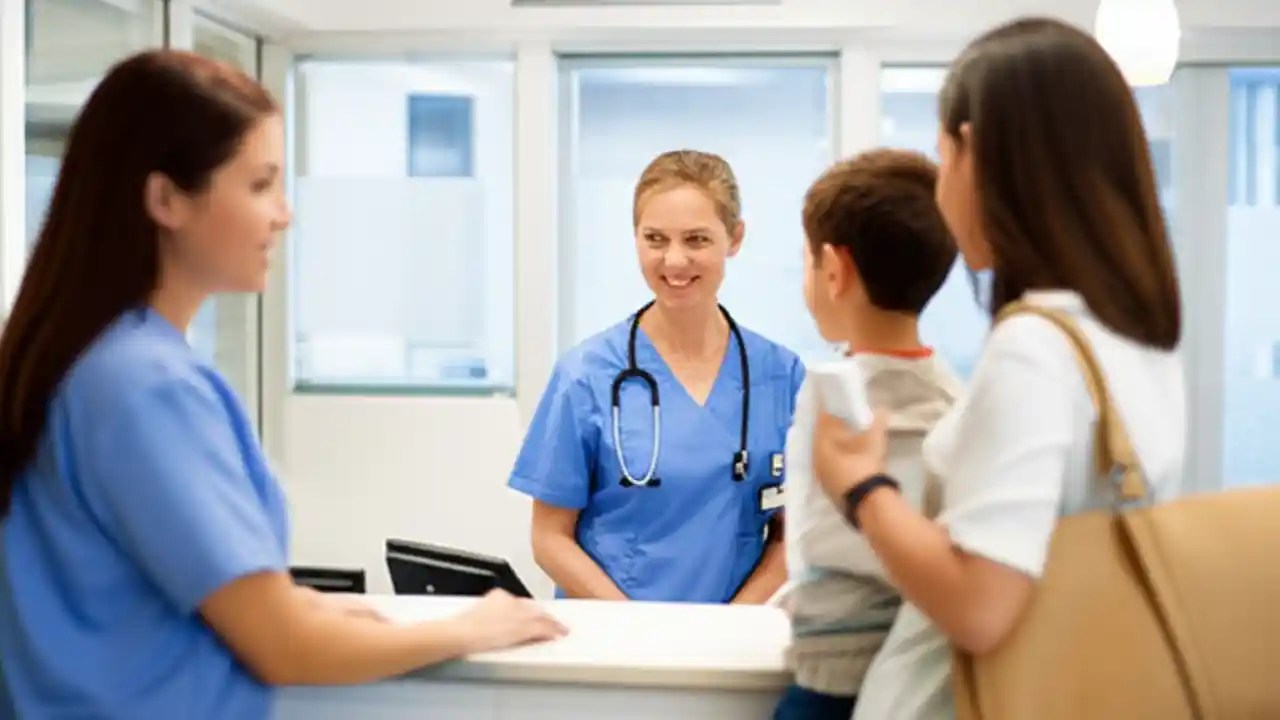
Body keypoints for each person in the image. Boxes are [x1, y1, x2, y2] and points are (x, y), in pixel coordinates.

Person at [0, 50, 565, 720]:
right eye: (261, 184)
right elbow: (280, 646)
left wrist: (315, 609)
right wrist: (471, 628)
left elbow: (154, 590)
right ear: (165, 199)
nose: (284, 214)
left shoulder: (89, 360)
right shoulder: (146, 386)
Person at [809, 18, 1186, 720]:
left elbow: (981, 605)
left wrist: (861, 486)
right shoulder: (1139, 338)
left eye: (941, 151)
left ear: (974, 150)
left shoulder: (1035, 350)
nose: (940, 177)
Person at [510, 150, 805, 603]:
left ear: (735, 237)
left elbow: (791, 535)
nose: (674, 260)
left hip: (730, 642)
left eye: (696, 239)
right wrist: (641, 630)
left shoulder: (780, 376)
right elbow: (549, 538)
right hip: (614, 643)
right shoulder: (586, 375)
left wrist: (725, 627)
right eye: (655, 239)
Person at [773, 149, 962, 720]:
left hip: (832, 682)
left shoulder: (830, 400)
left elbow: (814, 548)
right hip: (931, 679)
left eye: (807, 261)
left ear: (835, 271)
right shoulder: (957, 401)